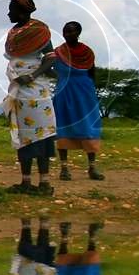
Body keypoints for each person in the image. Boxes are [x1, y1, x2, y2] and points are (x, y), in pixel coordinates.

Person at [2, 0, 58, 194]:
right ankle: (26, 182)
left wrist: (32, 75)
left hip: (36, 89)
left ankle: (44, 183)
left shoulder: (38, 31)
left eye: (11, 9)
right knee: (22, 133)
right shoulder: (13, 32)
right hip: (18, 88)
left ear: (22, 11)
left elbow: (51, 58)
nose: (8, 13)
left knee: (41, 135)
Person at [53, 21, 105, 181]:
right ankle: (64, 168)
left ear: (78, 33)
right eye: (65, 31)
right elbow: (49, 68)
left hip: (85, 92)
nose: (68, 34)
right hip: (64, 92)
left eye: (71, 31)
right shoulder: (58, 52)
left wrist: (92, 93)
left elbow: (92, 72)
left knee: (89, 126)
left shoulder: (87, 52)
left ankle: (92, 167)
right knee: (63, 126)